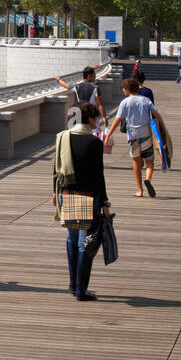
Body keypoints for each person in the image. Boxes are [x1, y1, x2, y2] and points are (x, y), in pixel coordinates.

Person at [53, 101, 110, 301]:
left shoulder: (62, 137)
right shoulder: (94, 142)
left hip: (65, 193)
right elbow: (98, 175)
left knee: (71, 239)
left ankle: (72, 285)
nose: (98, 122)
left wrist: (55, 193)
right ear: (90, 118)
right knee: (84, 244)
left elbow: (56, 169)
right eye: (96, 118)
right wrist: (105, 203)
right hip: (86, 196)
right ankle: (81, 290)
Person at [104, 77, 165, 198]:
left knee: (136, 161)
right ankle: (147, 179)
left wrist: (108, 135)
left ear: (126, 90)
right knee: (149, 161)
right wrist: (163, 128)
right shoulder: (146, 100)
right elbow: (156, 114)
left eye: (123, 89)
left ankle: (140, 190)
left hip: (133, 135)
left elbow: (117, 120)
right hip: (146, 133)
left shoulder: (125, 102)